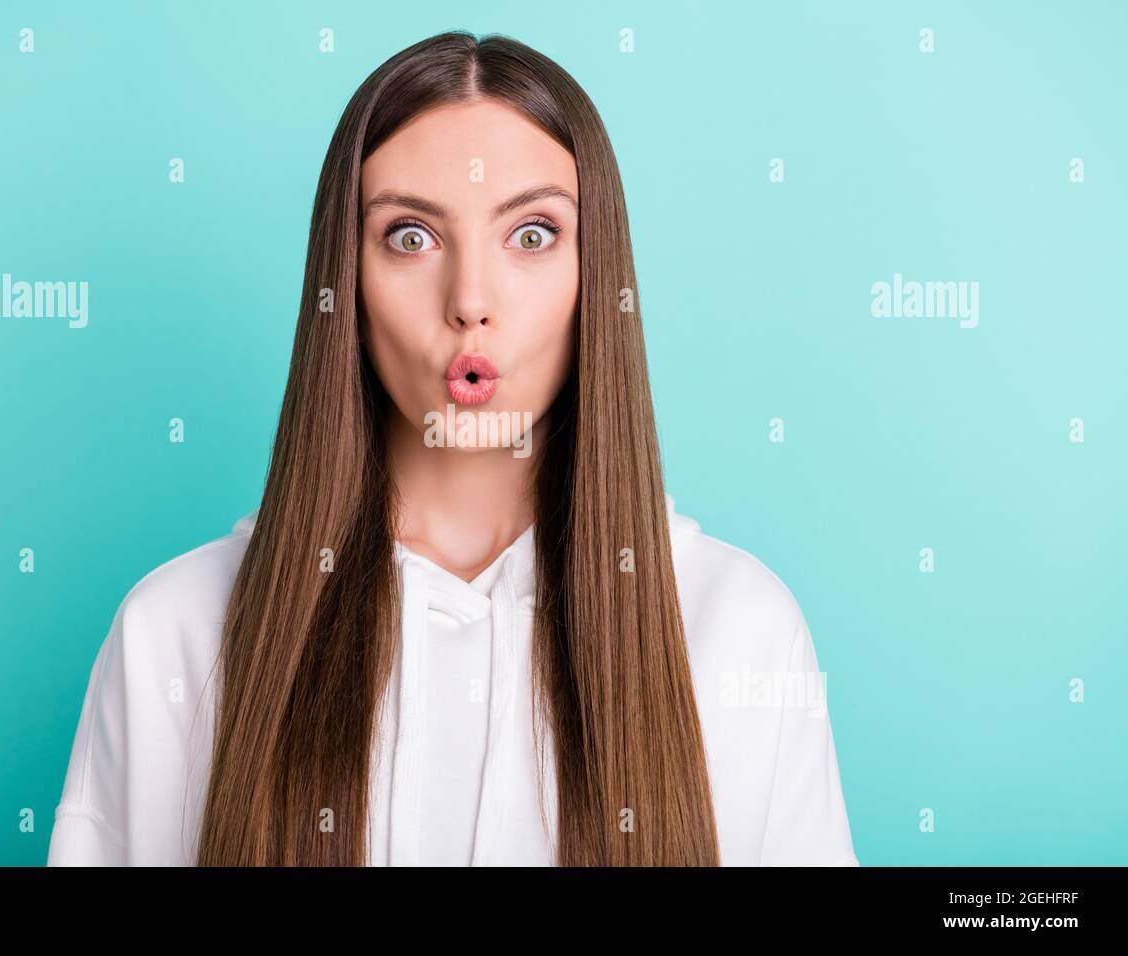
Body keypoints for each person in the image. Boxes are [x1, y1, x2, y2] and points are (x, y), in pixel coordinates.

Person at [47, 29, 859, 867]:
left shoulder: (743, 635)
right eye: (410, 236)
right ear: (346, 289)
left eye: (533, 234)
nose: (470, 300)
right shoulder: (174, 634)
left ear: (597, 275)